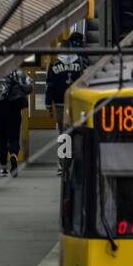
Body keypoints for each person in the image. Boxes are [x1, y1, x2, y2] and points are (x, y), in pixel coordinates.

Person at [46, 34, 87, 176]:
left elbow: (49, 86)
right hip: (77, 104)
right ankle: (77, 163)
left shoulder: (54, 65)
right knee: (77, 133)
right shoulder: (81, 63)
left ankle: (63, 165)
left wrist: (47, 105)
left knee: (63, 134)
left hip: (60, 105)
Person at [0, 68, 32, 177]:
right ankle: (13, 155)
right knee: (13, 137)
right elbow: (29, 86)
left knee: (2, 138)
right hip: (14, 106)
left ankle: (4, 168)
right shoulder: (17, 71)